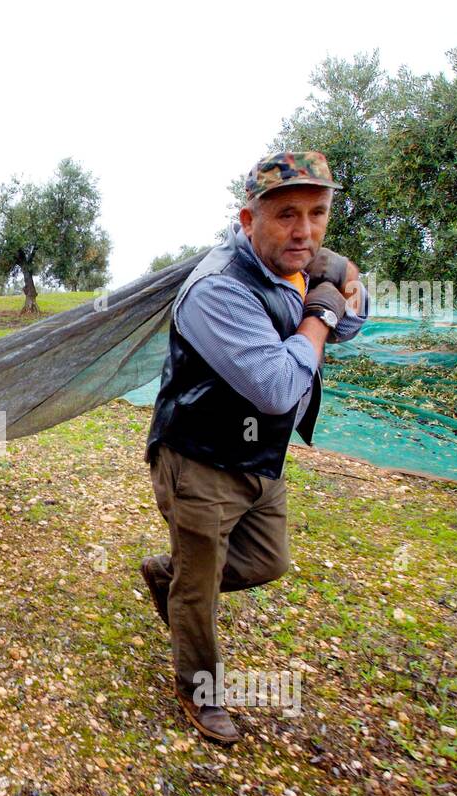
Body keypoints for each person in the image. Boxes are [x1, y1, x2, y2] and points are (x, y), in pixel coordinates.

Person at [141, 151, 368, 744]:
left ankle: (169, 577)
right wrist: (322, 308)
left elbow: (350, 323)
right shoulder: (219, 290)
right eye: (287, 214)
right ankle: (199, 691)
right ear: (247, 219)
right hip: (199, 459)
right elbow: (277, 387)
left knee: (268, 560)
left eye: (318, 214)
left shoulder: (293, 266)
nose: (305, 231)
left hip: (259, 458)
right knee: (201, 588)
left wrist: (340, 295)